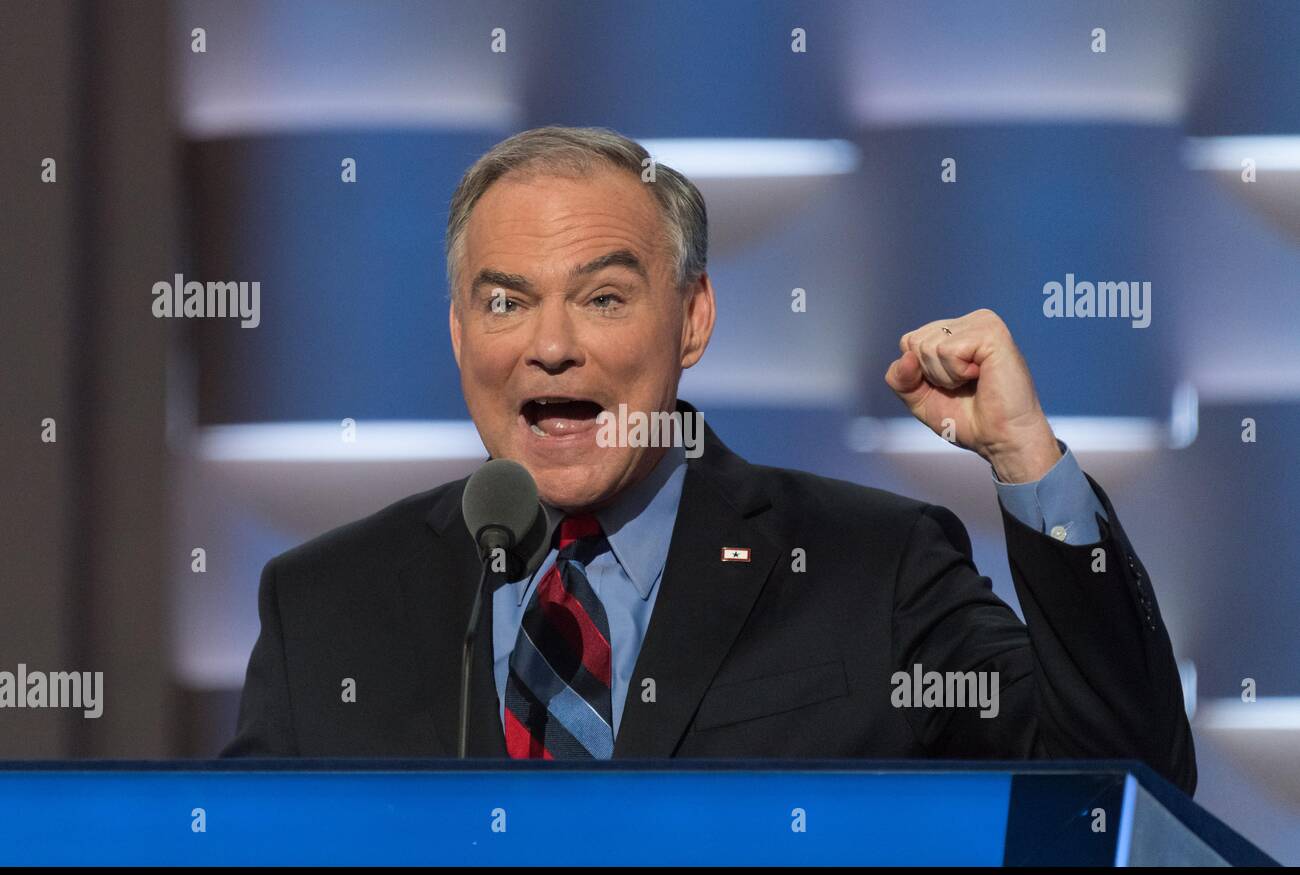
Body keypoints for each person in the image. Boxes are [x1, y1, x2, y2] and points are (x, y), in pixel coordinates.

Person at [222, 126, 1196, 795]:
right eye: (505, 301)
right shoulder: (324, 609)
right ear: (457, 330)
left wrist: (1027, 460)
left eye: (602, 298)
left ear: (692, 320)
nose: (548, 345)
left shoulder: (871, 569)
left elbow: (1122, 778)